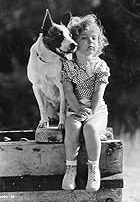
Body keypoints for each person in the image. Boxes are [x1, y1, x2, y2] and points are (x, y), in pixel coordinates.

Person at [61, 13, 110, 191]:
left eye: (94, 38)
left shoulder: (100, 66)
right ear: (75, 41)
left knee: (90, 128)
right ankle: (70, 168)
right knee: (72, 127)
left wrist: (90, 111)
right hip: (75, 108)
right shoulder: (68, 65)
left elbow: (98, 92)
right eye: (84, 38)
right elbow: (67, 90)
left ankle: (93, 168)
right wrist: (77, 109)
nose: (90, 41)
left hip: (97, 110)